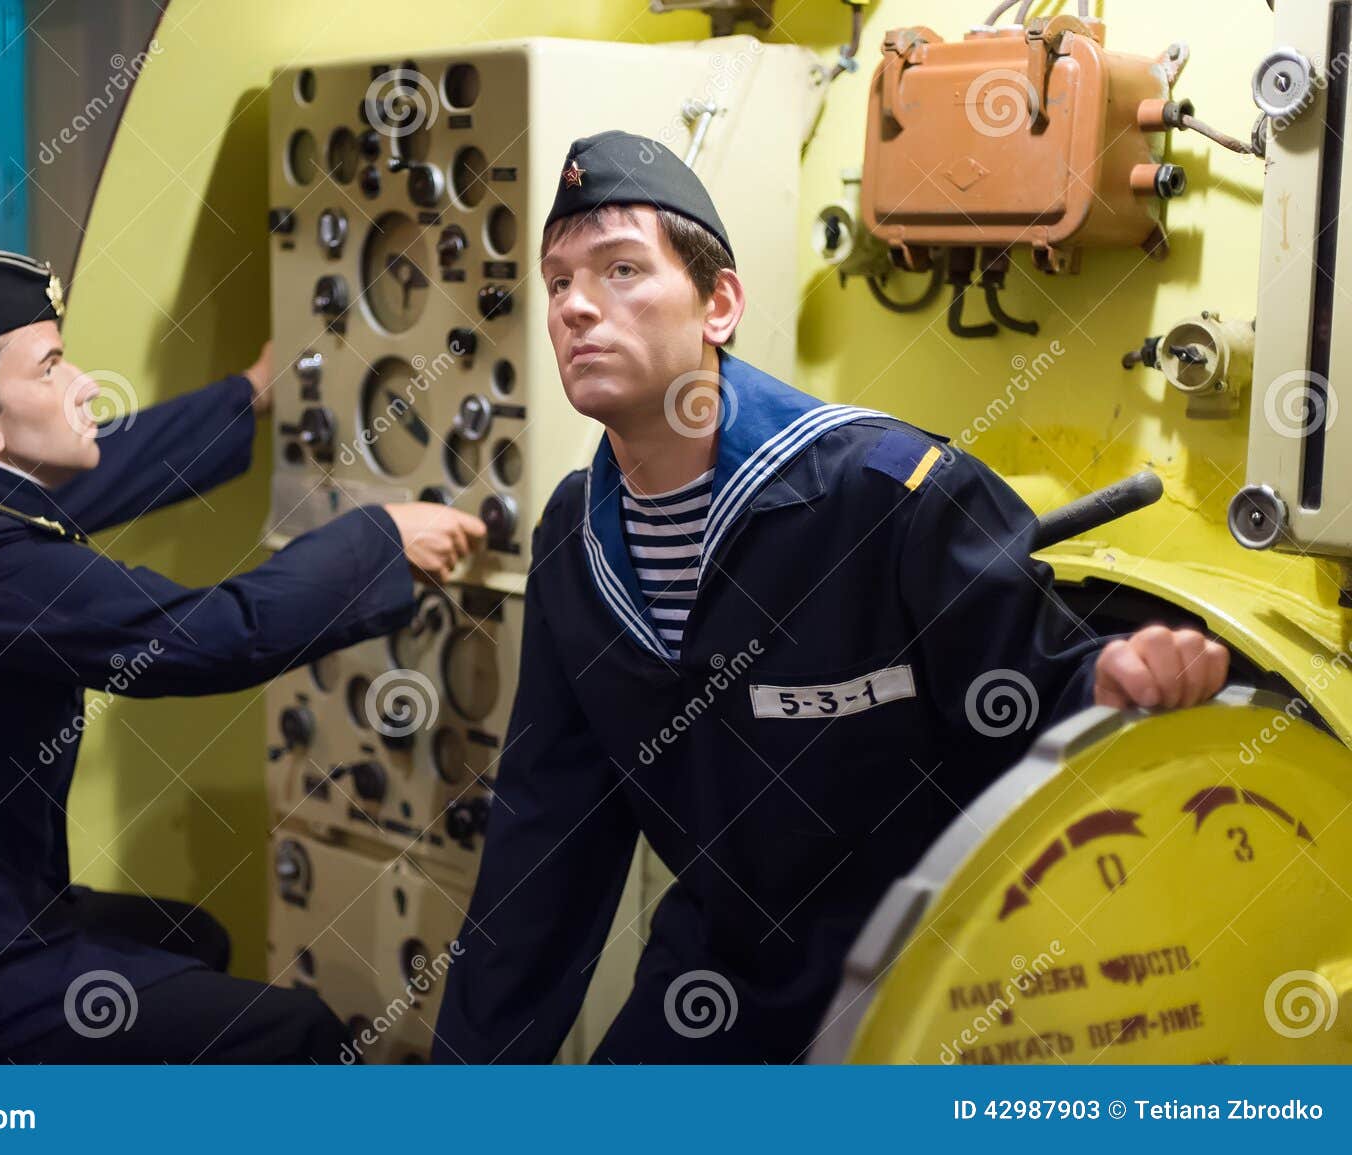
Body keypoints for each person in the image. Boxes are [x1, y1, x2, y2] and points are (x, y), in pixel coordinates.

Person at [432, 132, 1229, 1064]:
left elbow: (1044, 698)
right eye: (558, 280)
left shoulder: (892, 492)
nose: (575, 305)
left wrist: (1121, 681)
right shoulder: (575, 538)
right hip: (717, 980)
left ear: (719, 304)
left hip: (935, 985)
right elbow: (546, 839)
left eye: (621, 269)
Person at [0, 249, 484, 1063]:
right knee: (296, 1032)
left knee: (191, 937)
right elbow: (214, 635)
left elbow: (82, 480)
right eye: (53, 367)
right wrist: (382, 539)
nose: (88, 387)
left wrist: (248, 393)